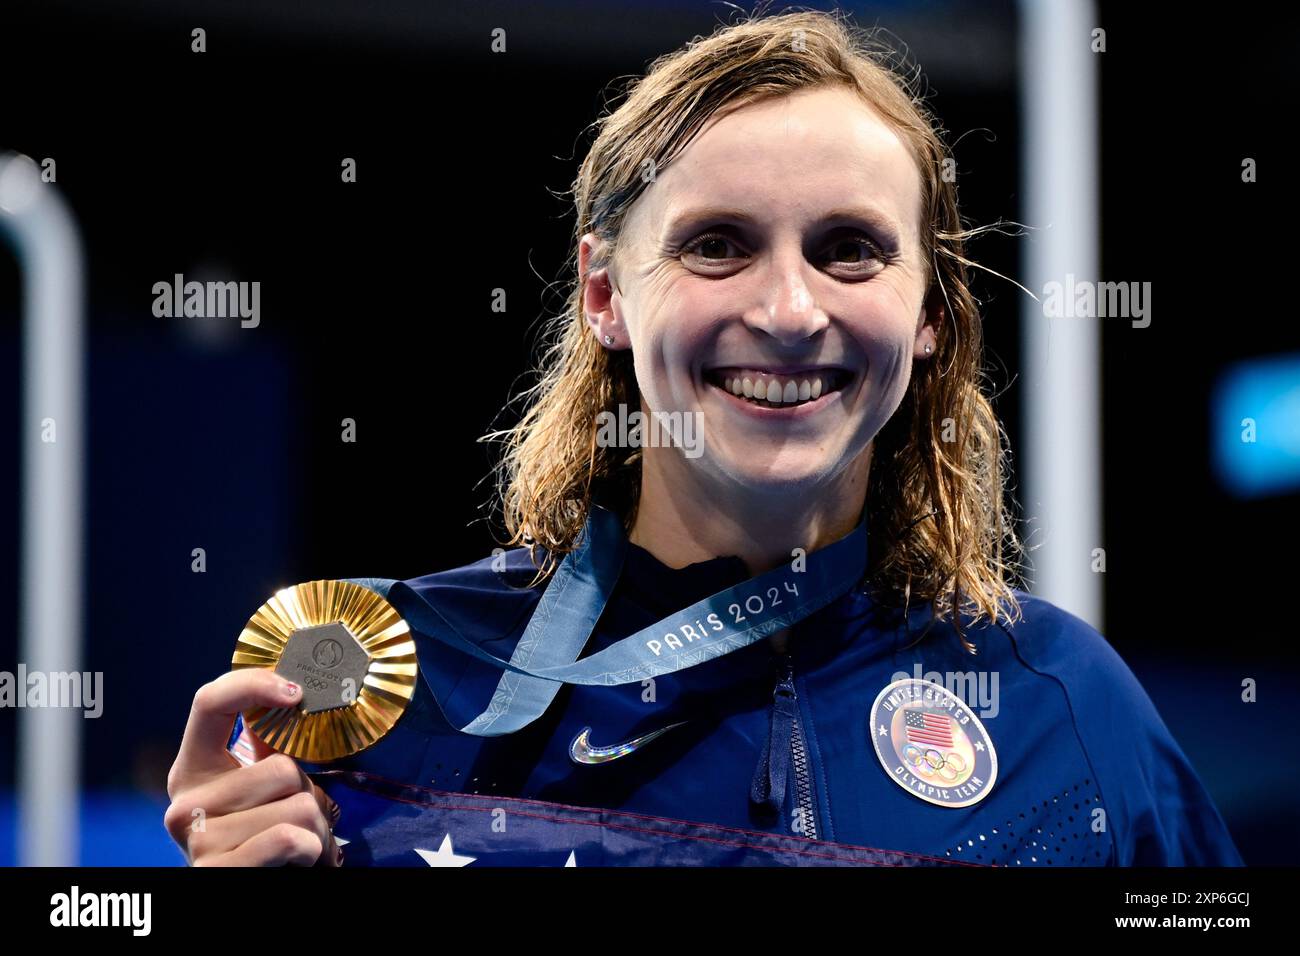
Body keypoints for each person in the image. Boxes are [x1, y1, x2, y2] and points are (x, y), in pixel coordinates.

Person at [163, 9, 1243, 867]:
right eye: (718, 245)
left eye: (850, 249)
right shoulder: (392, 689)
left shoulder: (1064, 708)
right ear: (603, 293)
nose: (786, 309)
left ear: (927, 315)